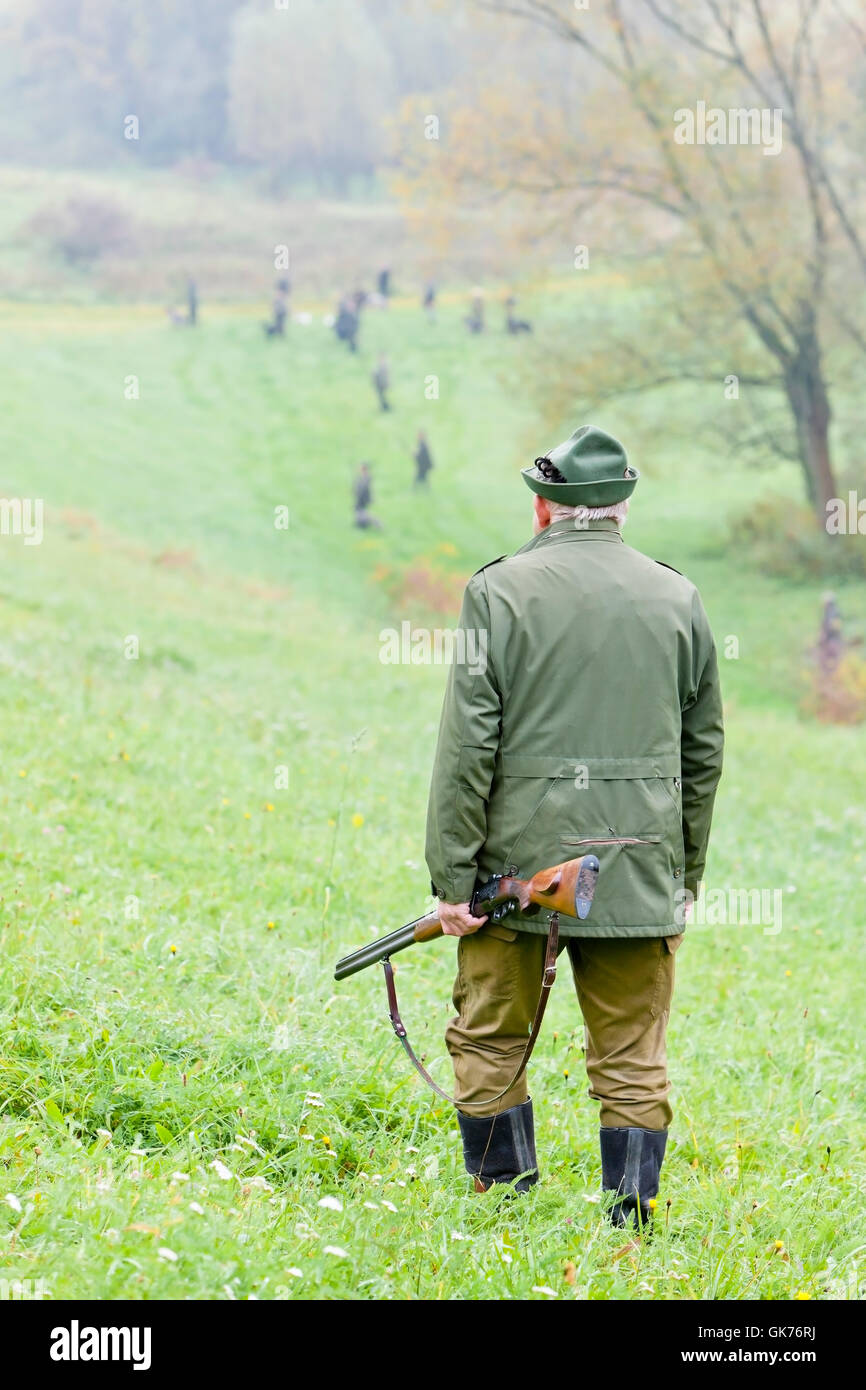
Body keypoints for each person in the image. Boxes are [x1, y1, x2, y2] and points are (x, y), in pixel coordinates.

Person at [425, 425, 724, 1228]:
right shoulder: (677, 597)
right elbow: (703, 755)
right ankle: (630, 1228)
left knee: (490, 1038)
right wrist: (681, 877)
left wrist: (455, 882)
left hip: (512, 876)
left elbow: (466, 751)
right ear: (622, 507)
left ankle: (503, 1211)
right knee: (632, 1058)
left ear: (541, 506)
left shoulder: (499, 592)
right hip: (639, 871)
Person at [353, 462, 381, 529]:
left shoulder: (366, 477)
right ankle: (362, 524)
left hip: (363, 499)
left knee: (361, 513)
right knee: (359, 513)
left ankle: (376, 522)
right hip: (361, 498)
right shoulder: (363, 477)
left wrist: (357, 488)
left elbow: (362, 488)